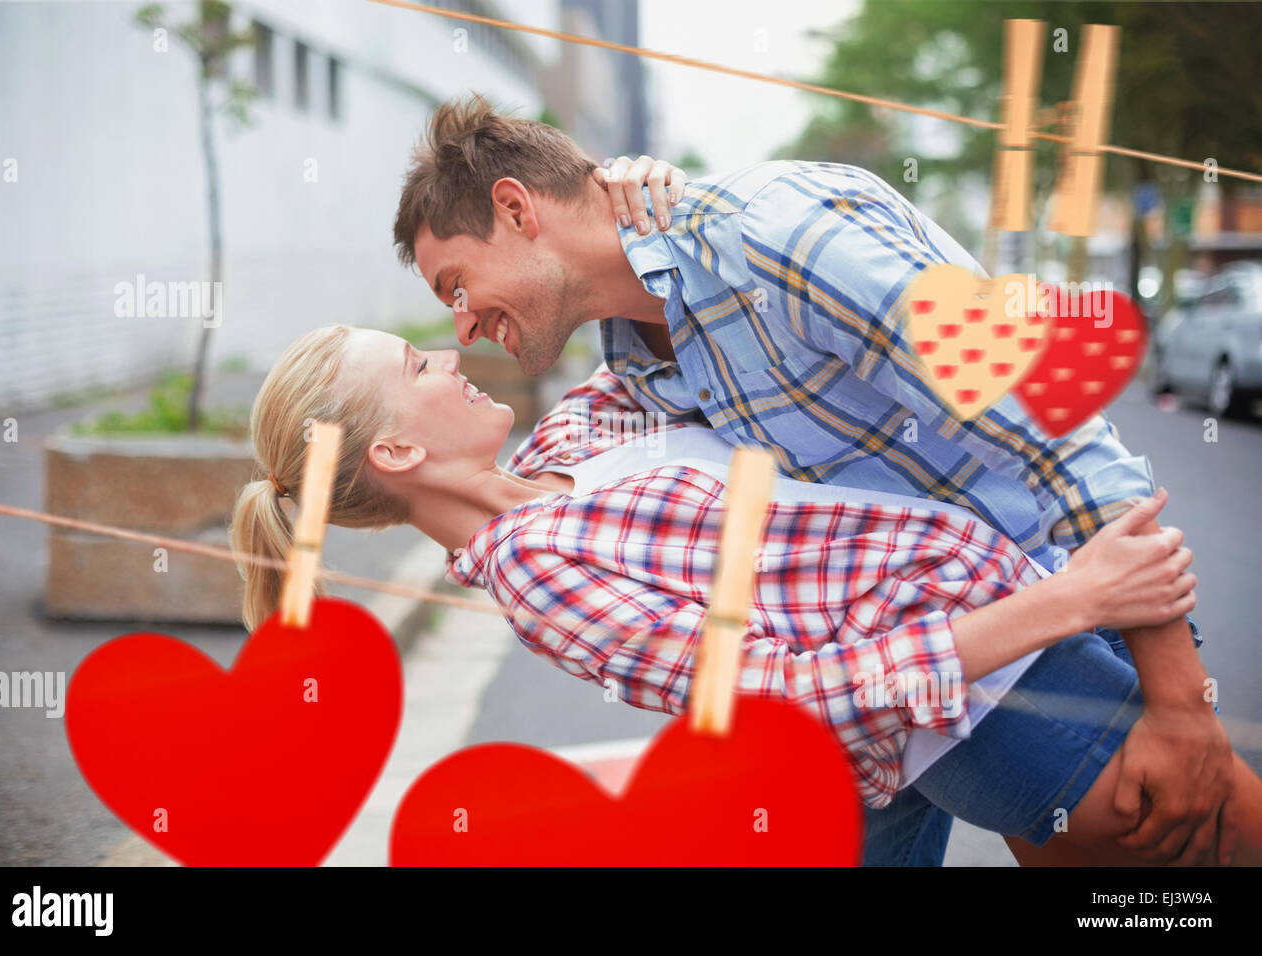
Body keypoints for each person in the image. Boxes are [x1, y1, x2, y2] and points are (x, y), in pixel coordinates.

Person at [390, 94, 1234, 865]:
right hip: (935, 691)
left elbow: (1052, 425)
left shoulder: (774, 233)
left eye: (456, 285)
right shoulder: (636, 362)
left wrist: (1182, 705)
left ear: (513, 207)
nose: (459, 325)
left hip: (1068, 618)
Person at [230, 324, 1259, 866]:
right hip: (1005, 697)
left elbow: (658, 333)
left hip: (984, 689)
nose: (451, 352)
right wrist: (1073, 599)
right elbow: (784, 694)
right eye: (417, 364)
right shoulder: (538, 571)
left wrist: (647, 207)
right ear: (399, 447)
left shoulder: (564, 446)